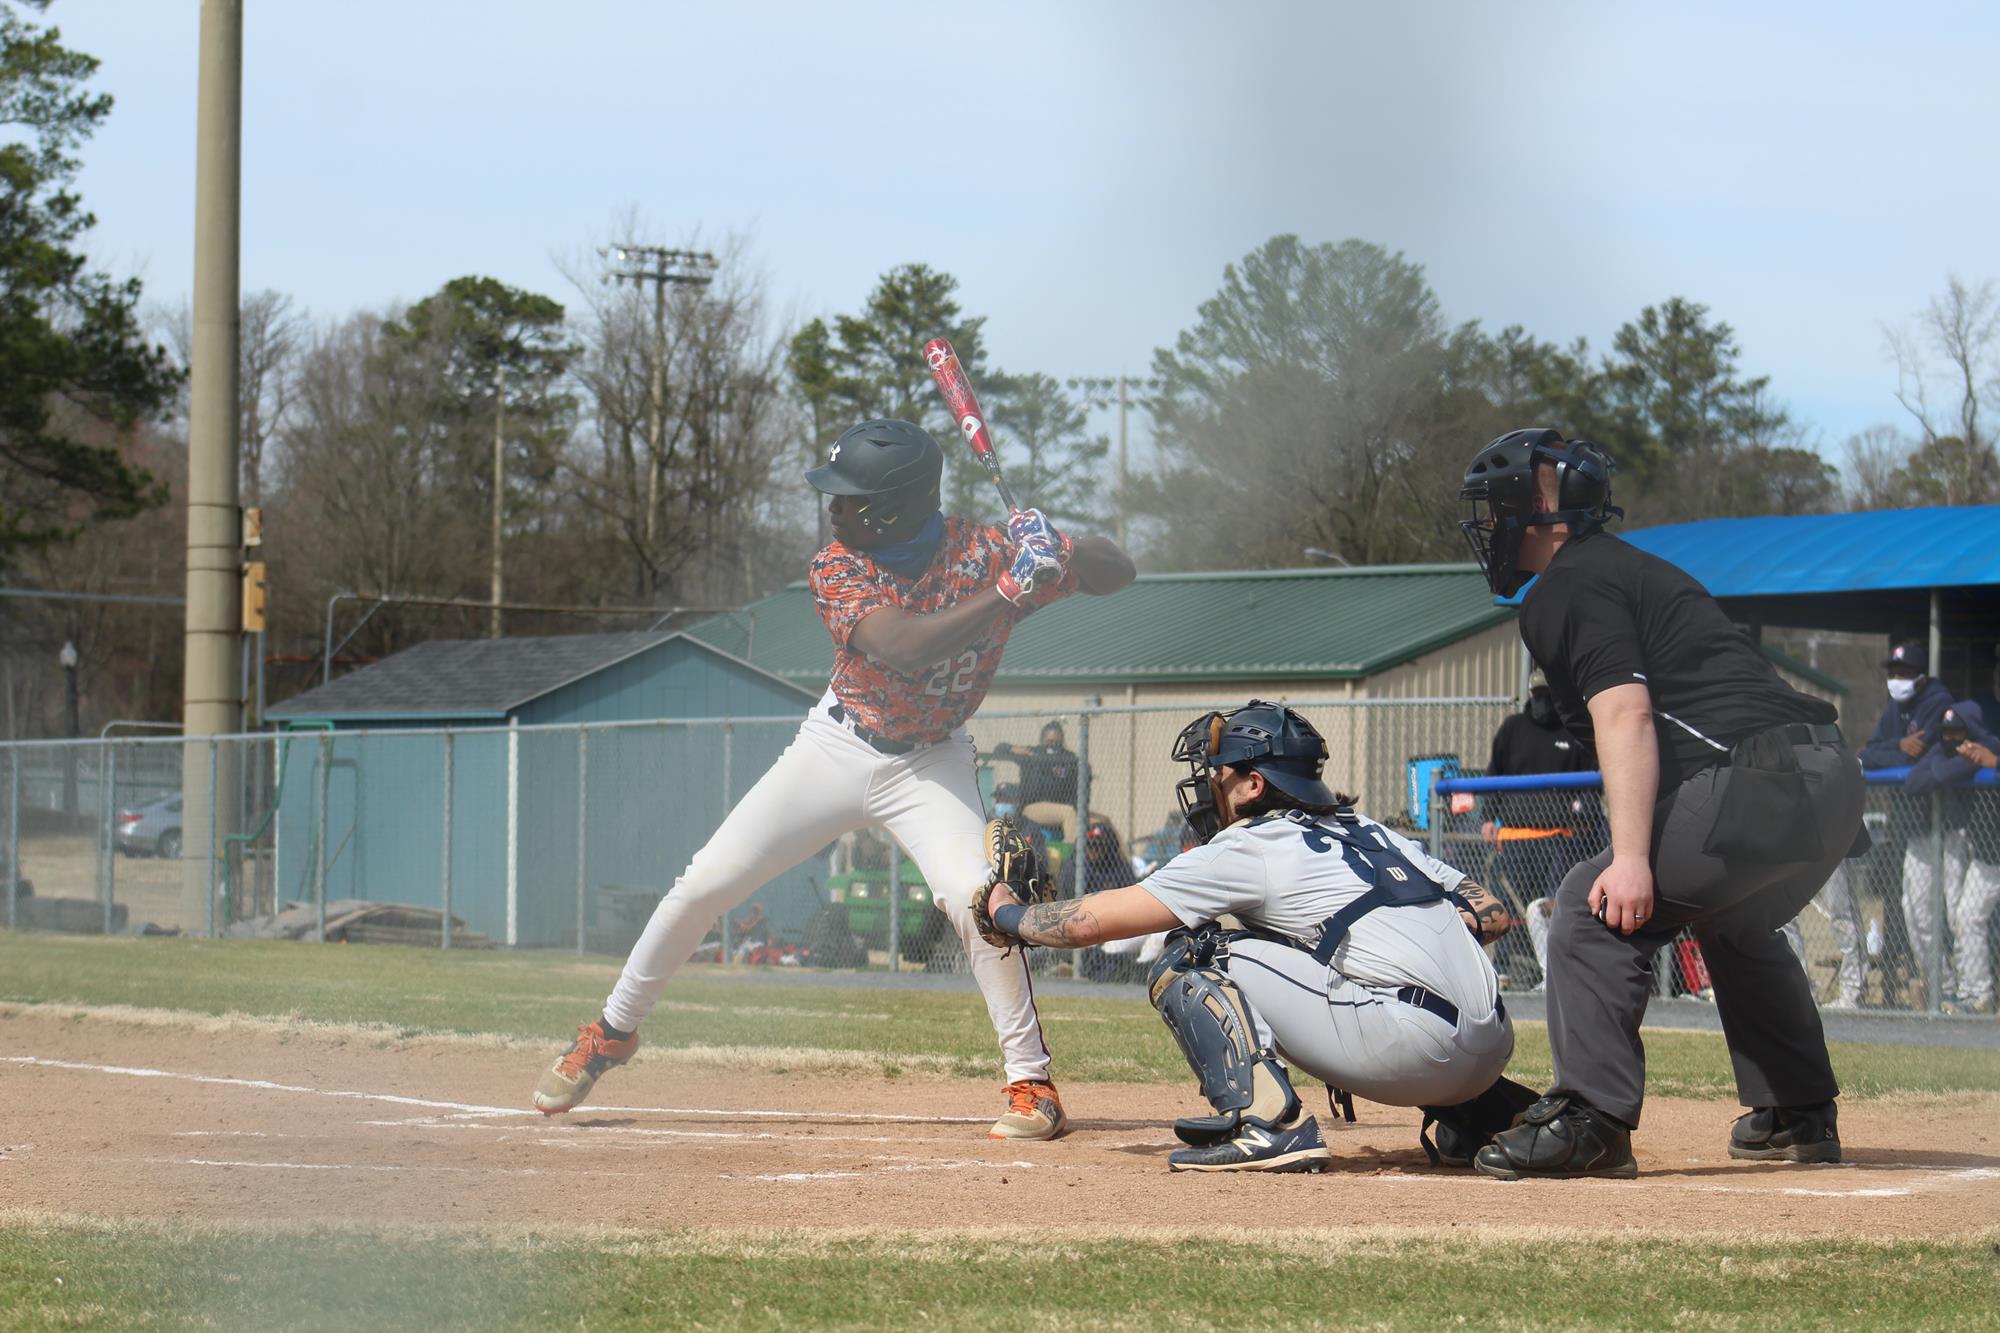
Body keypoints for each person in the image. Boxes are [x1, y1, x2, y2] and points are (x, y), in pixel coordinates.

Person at [530, 418, 1136, 1138]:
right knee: (705, 881)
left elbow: (1118, 571)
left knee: (977, 900)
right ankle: (611, 1031)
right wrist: (1010, 589)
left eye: (847, 497)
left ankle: (1031, 1082)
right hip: (837, 743)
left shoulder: (989, 550)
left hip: (930, 758)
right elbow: (904, 648)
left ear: (892, 506)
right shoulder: (838, 565)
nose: (832, 507)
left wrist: (1065, 545)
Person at [1457, 428, 1865, 1179]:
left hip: (1765, 781)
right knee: (1733, 918)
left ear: (1539, 510)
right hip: (1829, 775)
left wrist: (1634, 859)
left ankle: (1592, 1119)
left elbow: (1627, 715)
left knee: (1589, 902)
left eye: (1498, 503)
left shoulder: (1566, 585)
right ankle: (1797, 1109)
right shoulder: (1629, 568)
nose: (1489, 523)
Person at [982, 701, 1531, 1173]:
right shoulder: (1370, 829)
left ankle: (1267, 1122)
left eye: (1219, 772)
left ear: (1253, 784)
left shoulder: (1251, 844)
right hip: (1490, 1050)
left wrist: (1006, 913)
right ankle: (1488, 1115)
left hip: (1410, 1054)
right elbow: (1494, 914)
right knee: (1323, 951)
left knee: (1193, 953)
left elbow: (1090, 923)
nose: (1208, 784)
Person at [1481, 667, 1597, 989]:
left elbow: (1591, 784)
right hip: (1516, 837)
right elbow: (1495, 776)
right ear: (1531, 695)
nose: (1544, 702)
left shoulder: (1575, 731)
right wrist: (1489, 817)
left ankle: (1556, 972)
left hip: (1562, 840)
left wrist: (1583, 818)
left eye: (1551, 696)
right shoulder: (1513, 728)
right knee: (1507, 908)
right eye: (1539, 695)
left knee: (1551, 910)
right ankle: (1504, 968)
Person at [1857, 643, 1955, 1007]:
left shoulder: (1936, 701)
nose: (1896, 679)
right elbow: (1869, 753)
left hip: (1940, 825)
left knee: (1951, 913)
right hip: (1907, 825)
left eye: (1904, 672)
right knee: (1910, 909)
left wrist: (1891, 751)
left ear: (1921, 675)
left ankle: (1953, 988)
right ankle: (1935, 986)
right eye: (1893, 672)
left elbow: (1925, 753)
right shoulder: (1896, 707)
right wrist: (1898, 745)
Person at [1903, 703, 2000, 1015]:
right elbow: (1913, 783)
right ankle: (1975, 993)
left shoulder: (1990, 744)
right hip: (1988, 852)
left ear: (1971, 731)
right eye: (1946, 732)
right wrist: (1954, 765)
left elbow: (1941, 773)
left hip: (1990, 850)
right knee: (1966, 916)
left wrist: (1993, 761)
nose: (1951, 739)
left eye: (1958, 732)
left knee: (1968, 916)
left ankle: (1978, 992)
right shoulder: (1952, 752)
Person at [993, 722, 1082, 839]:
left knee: (1098, 820)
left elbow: (1076, 787)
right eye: (1049, 741)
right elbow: (999, 750)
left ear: (1062, 740)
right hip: (1033, 806)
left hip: (1061, 806)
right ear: (1042, 740)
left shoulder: (1069, 758)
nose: (1052, 744)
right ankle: (1072, 852)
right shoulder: (1032, 753)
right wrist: (1013, 748)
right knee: (1069, 813)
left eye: (1056, 741)